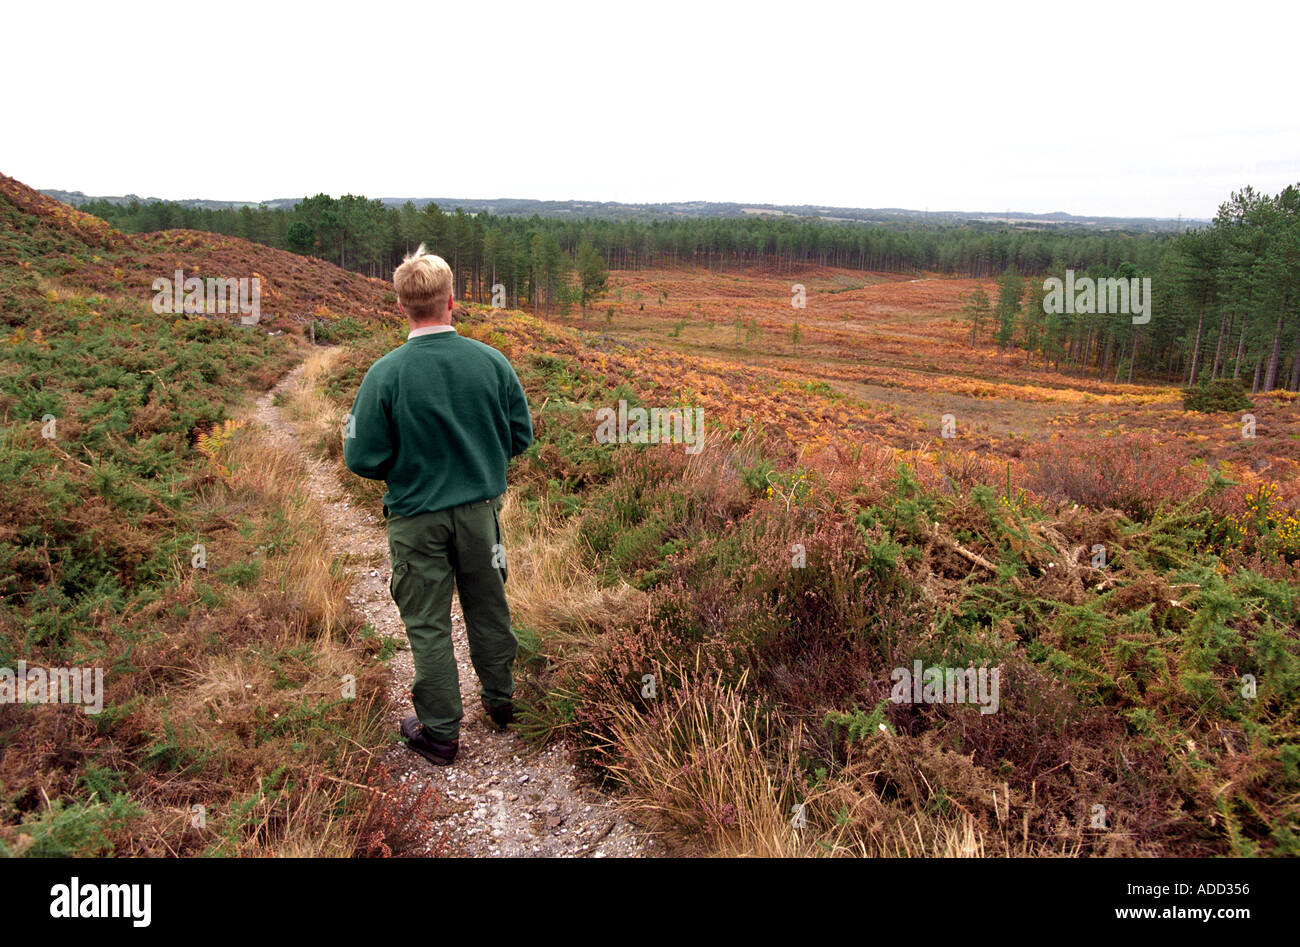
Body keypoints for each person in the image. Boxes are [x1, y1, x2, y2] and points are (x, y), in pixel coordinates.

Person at [343, 244, 533, 766]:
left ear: (402, 305)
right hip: (480, 516)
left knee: (427, 623)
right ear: (452, 300)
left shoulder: (384, 374)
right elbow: (521, 435)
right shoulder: (492, 362)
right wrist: (480, 459)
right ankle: (502, 701)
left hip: (415, 518)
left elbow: (360, 456)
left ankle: (441, 731)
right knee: (489, 608)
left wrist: (408, 467)